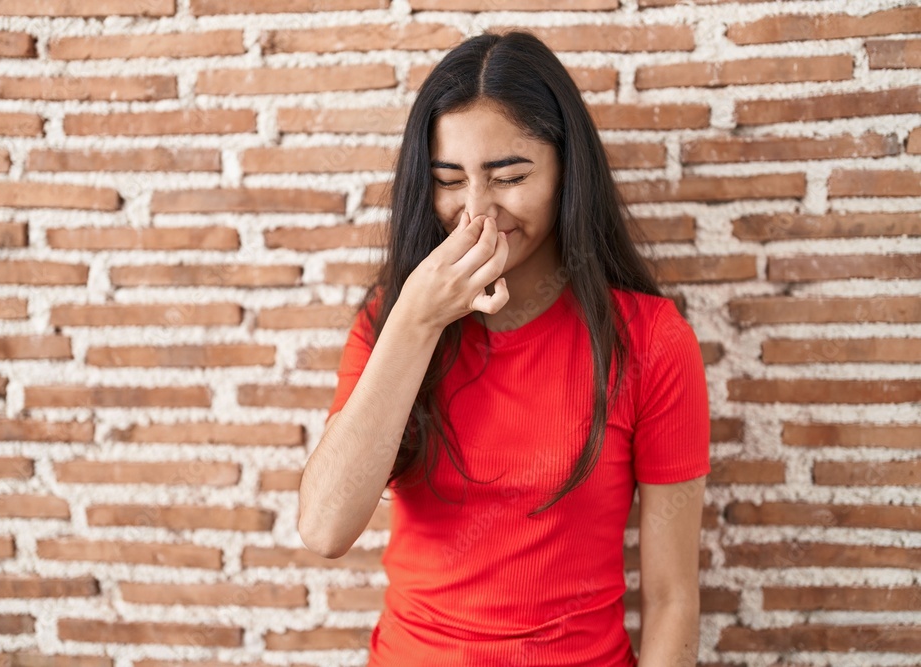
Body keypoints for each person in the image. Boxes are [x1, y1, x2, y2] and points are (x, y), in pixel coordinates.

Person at [298, 29, 710, 667]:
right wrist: (415, 319)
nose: (477, 214)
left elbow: (673, 597)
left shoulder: (652, 341)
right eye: (449, 180)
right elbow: (324, 529)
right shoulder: (391, 320)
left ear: (566, 171)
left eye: (509, 176)